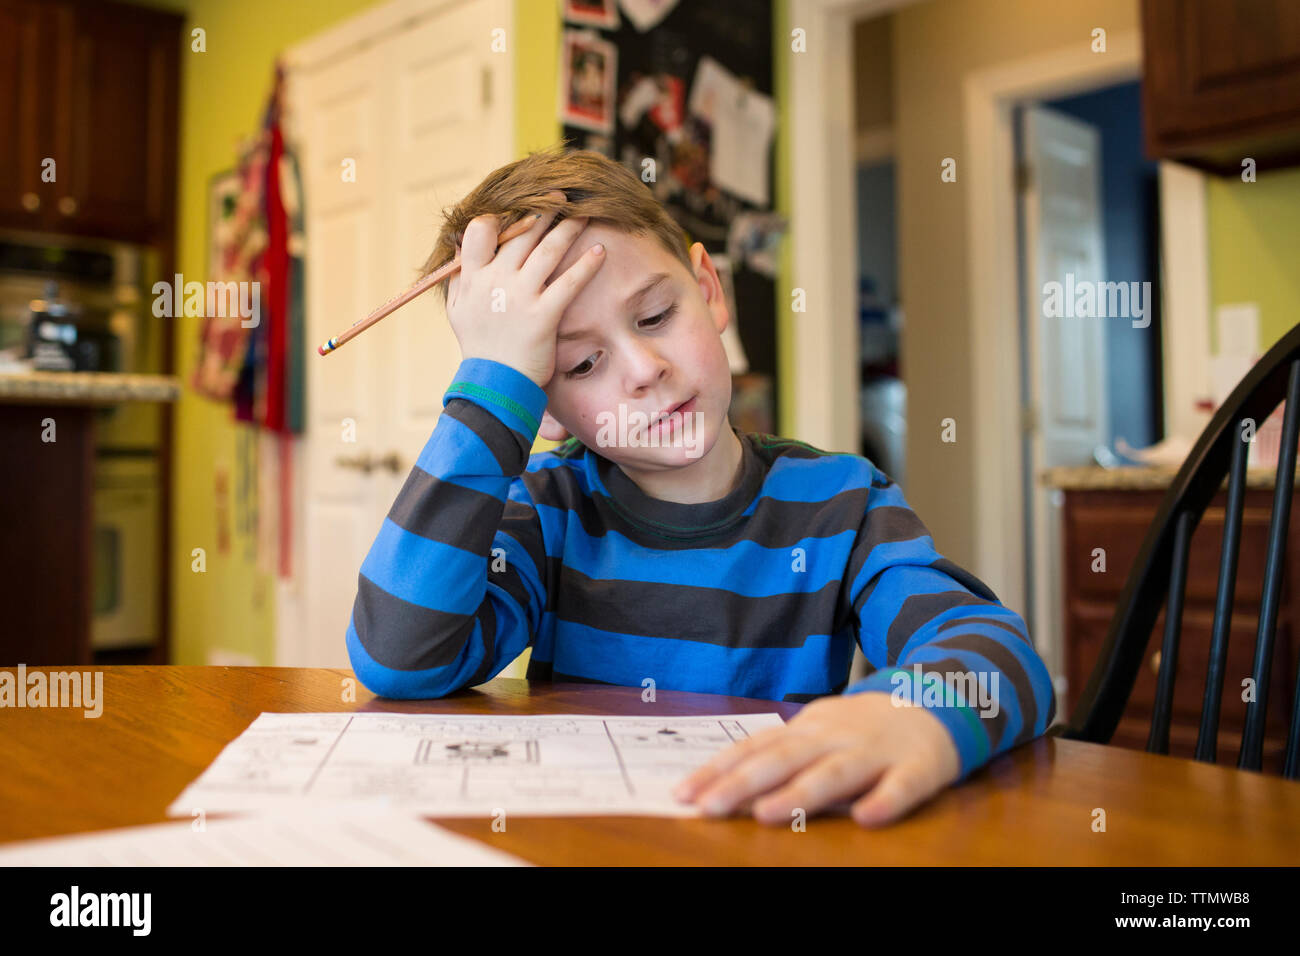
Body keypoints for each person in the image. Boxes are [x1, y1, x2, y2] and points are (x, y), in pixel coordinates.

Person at [346, 145, 1056, 827]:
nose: (644, 369)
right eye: (583, 364)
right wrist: (491, 391)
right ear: (545, 405)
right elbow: (400, 657)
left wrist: (913, 715)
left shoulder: (844, 505)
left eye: (656, 316)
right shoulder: (547, 511)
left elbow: (1001, 656)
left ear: (709, 291)